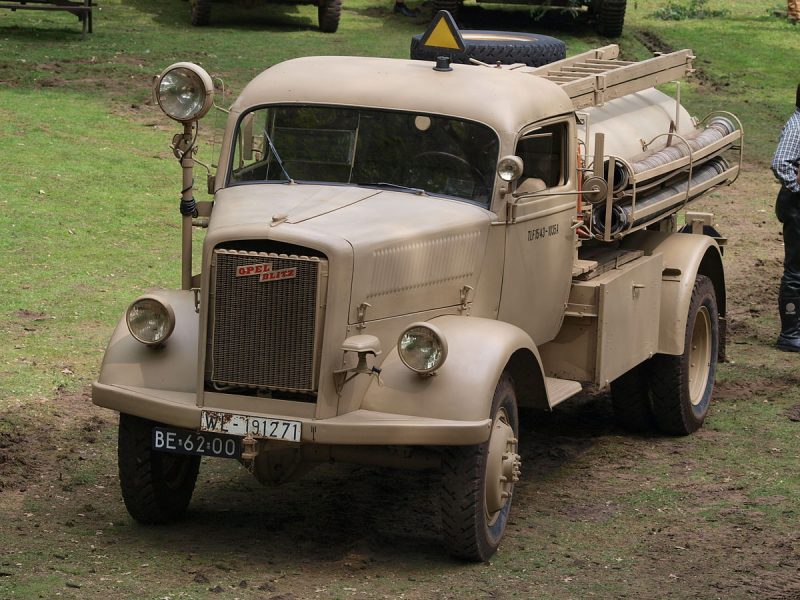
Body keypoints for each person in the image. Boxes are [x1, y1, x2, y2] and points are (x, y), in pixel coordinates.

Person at [771, 83, 800, 351]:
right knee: (796, 270)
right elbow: (780, 161)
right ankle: (790, 334)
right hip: (797, 205)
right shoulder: (797, 126)